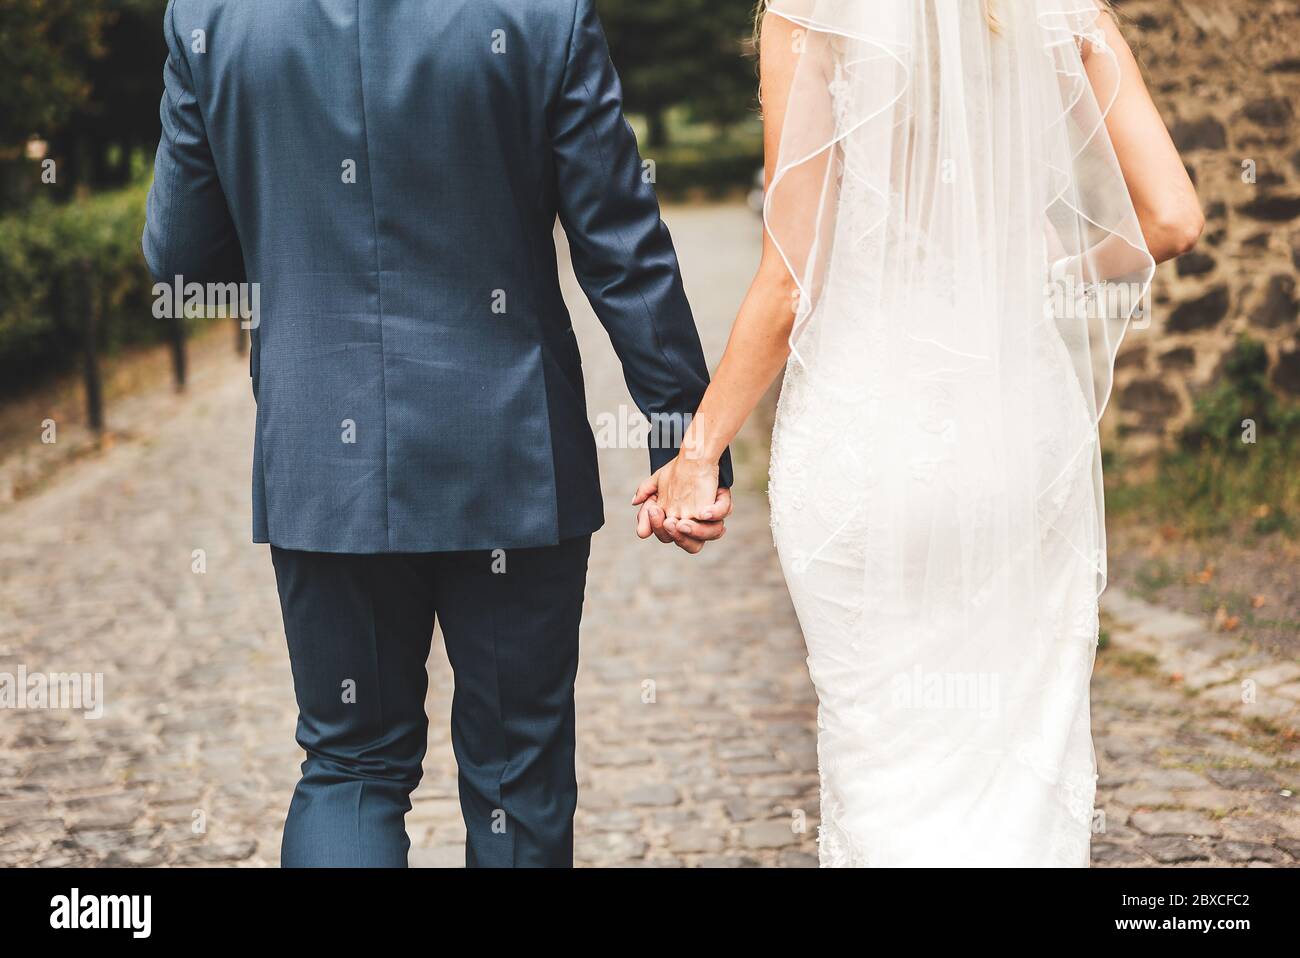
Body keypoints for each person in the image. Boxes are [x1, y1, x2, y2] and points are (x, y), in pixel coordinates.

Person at [144, 0, 731, 868]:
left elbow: (180, 259)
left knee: (349, 765)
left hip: (321, 458)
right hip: (509, 456)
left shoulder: (213, 17)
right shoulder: (543, 15)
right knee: (516, 778)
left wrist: (290, 252)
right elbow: (621, 241)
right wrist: (684, 440)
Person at [635, 0, 1203, 866]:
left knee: (880, 749)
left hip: (869, 443)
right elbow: (1171, 221)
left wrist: (698, 450)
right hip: (1021, 435)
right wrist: (1043, 271)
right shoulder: (1064, 11)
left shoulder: (809, 14)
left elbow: (792, 280)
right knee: (1022, 753)